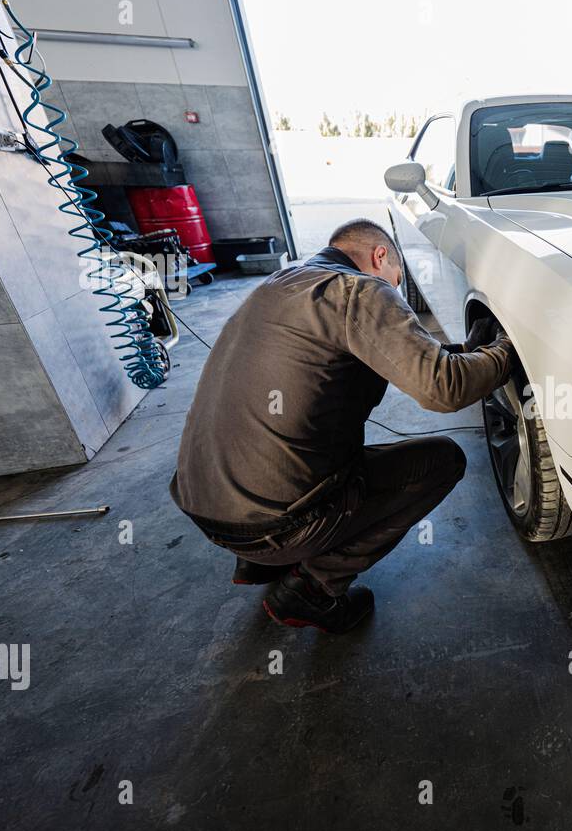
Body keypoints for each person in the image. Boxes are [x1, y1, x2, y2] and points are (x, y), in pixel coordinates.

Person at [169, 218, 514, 634]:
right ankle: (314, 587)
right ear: (379, 256)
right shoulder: (361, 291)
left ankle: (259, 565)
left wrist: (463, 352)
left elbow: (397, 355)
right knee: (442, 462)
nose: (397, 290)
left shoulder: (280, 285)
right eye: (397, 279)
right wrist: (505, 353)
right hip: (275, 524)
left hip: (204, 504)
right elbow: (443, 389)